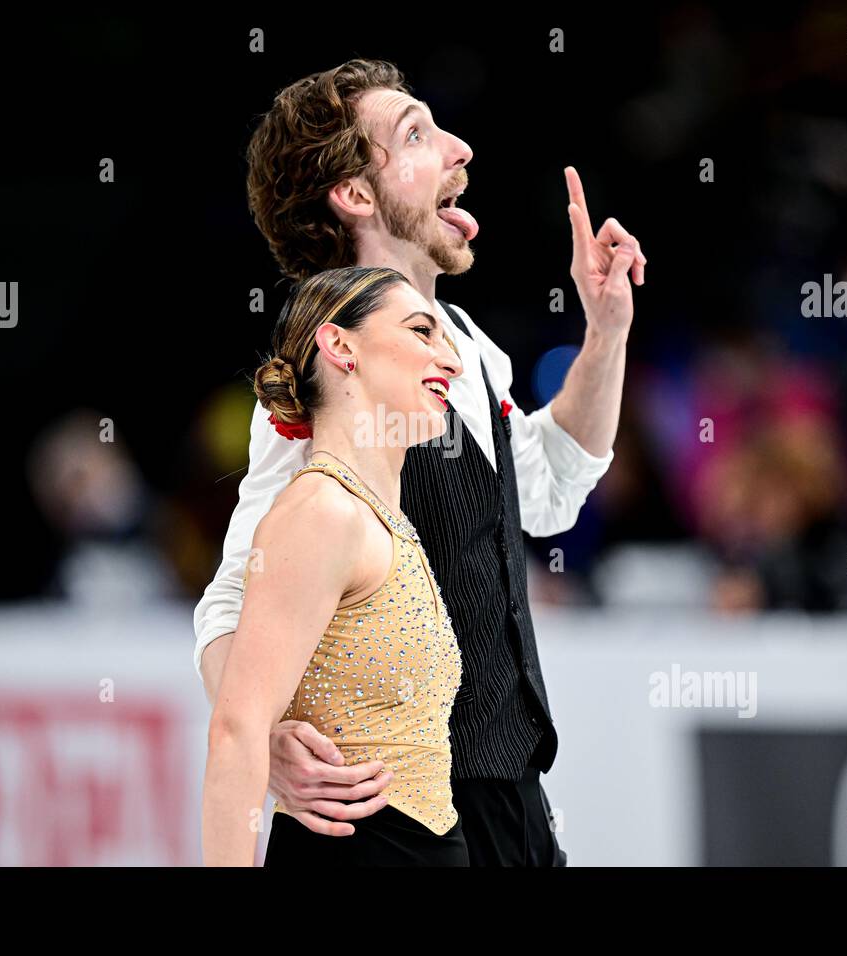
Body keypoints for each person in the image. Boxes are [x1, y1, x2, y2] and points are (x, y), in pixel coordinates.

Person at [196, 59, 645, 866]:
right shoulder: (330, 378)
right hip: (414, 810)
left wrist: (605, 332)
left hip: (515, 803)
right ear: (357, 195)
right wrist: (265, 738)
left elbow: (544, 492)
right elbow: (235, 593)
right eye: (416, 134)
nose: (460, 148)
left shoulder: (464, 346)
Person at [202, 265, 467, 866]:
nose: (449, 361)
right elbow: (236, 733)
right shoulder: (320, 512)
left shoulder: (378, 519)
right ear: (341, 345)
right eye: (422, 331)